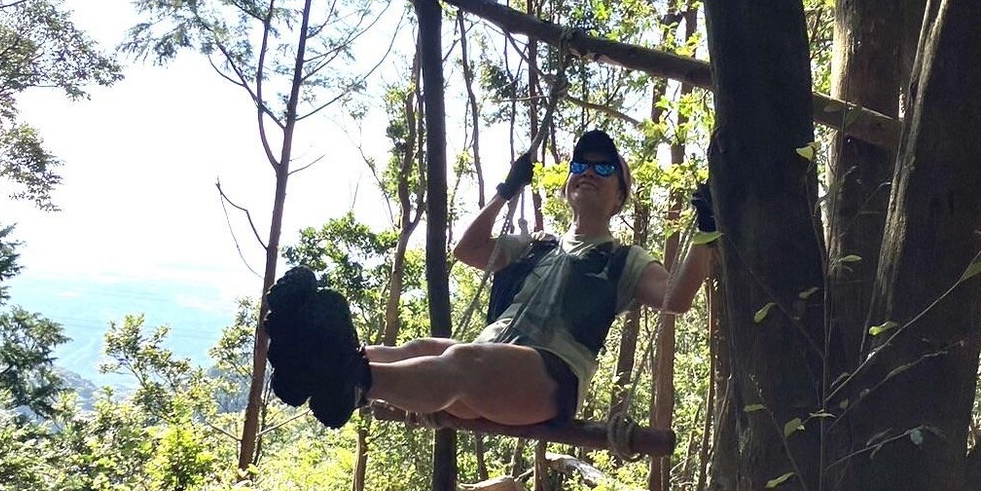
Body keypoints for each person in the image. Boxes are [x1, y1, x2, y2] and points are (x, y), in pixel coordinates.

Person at [264, 129, 716, 430]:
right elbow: (467, 250)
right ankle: (311, 355)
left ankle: (351, 380)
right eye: (580, 166)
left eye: (603, 169)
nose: (588, 174)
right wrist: (506, 190)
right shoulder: (536, 245)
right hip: (492, 364)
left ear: (619, 194)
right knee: (420, 348)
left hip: (548, 383)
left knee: (463, 359)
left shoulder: (626, 260)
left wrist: (707, 230)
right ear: (568, 183)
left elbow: (676, 298)